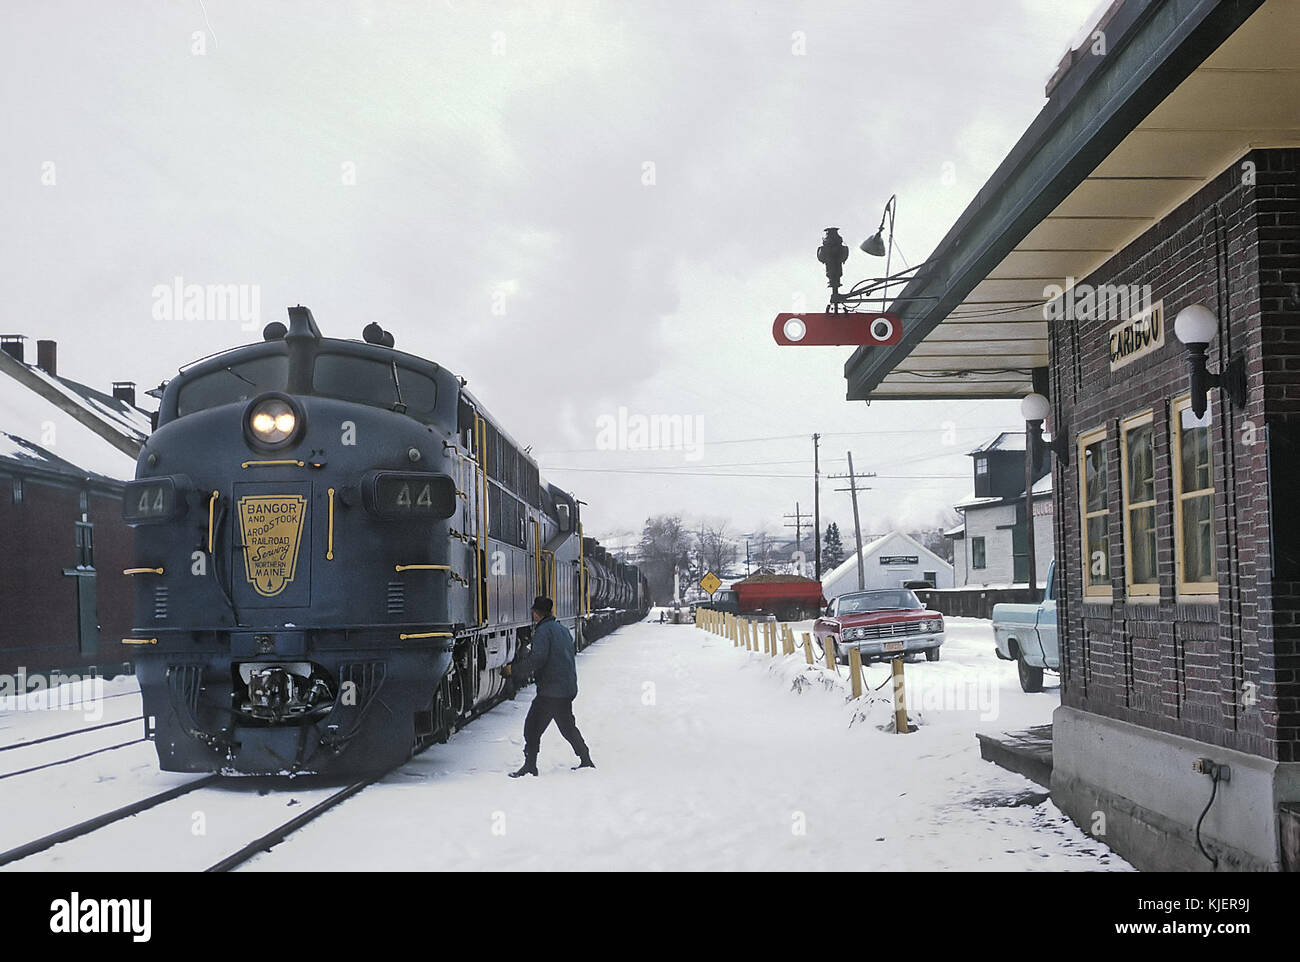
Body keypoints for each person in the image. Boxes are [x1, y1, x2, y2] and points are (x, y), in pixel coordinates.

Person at [504, 596, 594, 777]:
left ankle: (530, 766)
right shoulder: (561, 629)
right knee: (567, 727)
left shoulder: (543, 632)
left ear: (536, 613)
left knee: (531, 727)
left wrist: (513, 670)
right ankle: (586, 759)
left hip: (551, 691)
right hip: (566, 688)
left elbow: (538, 659)